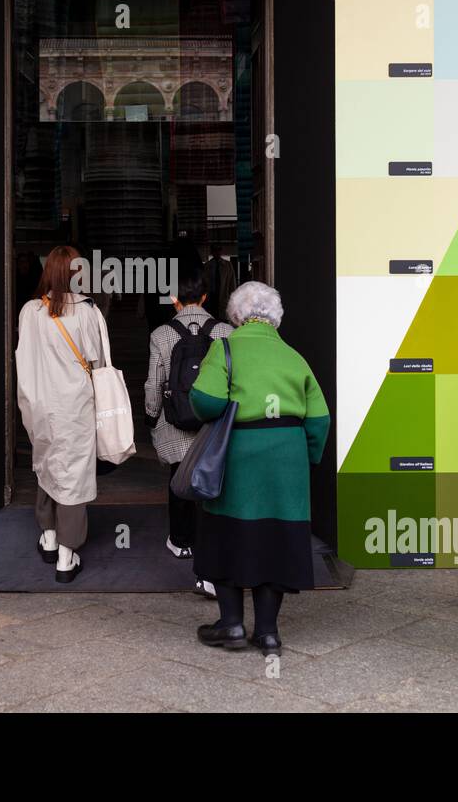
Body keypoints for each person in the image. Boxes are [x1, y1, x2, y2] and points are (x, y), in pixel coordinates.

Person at [187, 281, 330, 655]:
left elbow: (206, 400)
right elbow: (319, 419)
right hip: (287, 456)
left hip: (240, 453)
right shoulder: (294, 356)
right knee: (276, 540)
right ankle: (268, 632)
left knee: (227, 535)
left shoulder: (225, 347)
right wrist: (305, 459)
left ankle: (231, 624)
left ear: (235, 314)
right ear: (275, 318)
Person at [15, 244, 105, 583]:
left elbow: (23, 361)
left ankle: (49, 536)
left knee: (46, 465)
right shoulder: (87, 312)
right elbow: (98, 363)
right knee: (73, 477)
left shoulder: (29, 312)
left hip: (39, 405)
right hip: (76, 408)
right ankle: (67, 556)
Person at [143, 266, 232, 596]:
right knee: (213, 481)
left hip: (175, 419)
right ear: (206, 297)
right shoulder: (225, 331)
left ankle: (180, 541)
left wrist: (152, 416)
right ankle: (213, 539)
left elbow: (155, 383)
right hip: (213, 422)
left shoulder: (160, 335)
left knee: (179, 478)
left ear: (175, 299)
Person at [202, 244, 235, 324]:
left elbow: (232, 283)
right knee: (211, 320)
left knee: (223, 320)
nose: (217, 252)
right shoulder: (207, 266)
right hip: (211, 298)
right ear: (212, 252)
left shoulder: (227, 265)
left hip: (223, 297)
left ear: (221, 251)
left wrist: (232, 298)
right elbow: (203, 284)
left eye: (218, 250)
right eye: (215, 250)